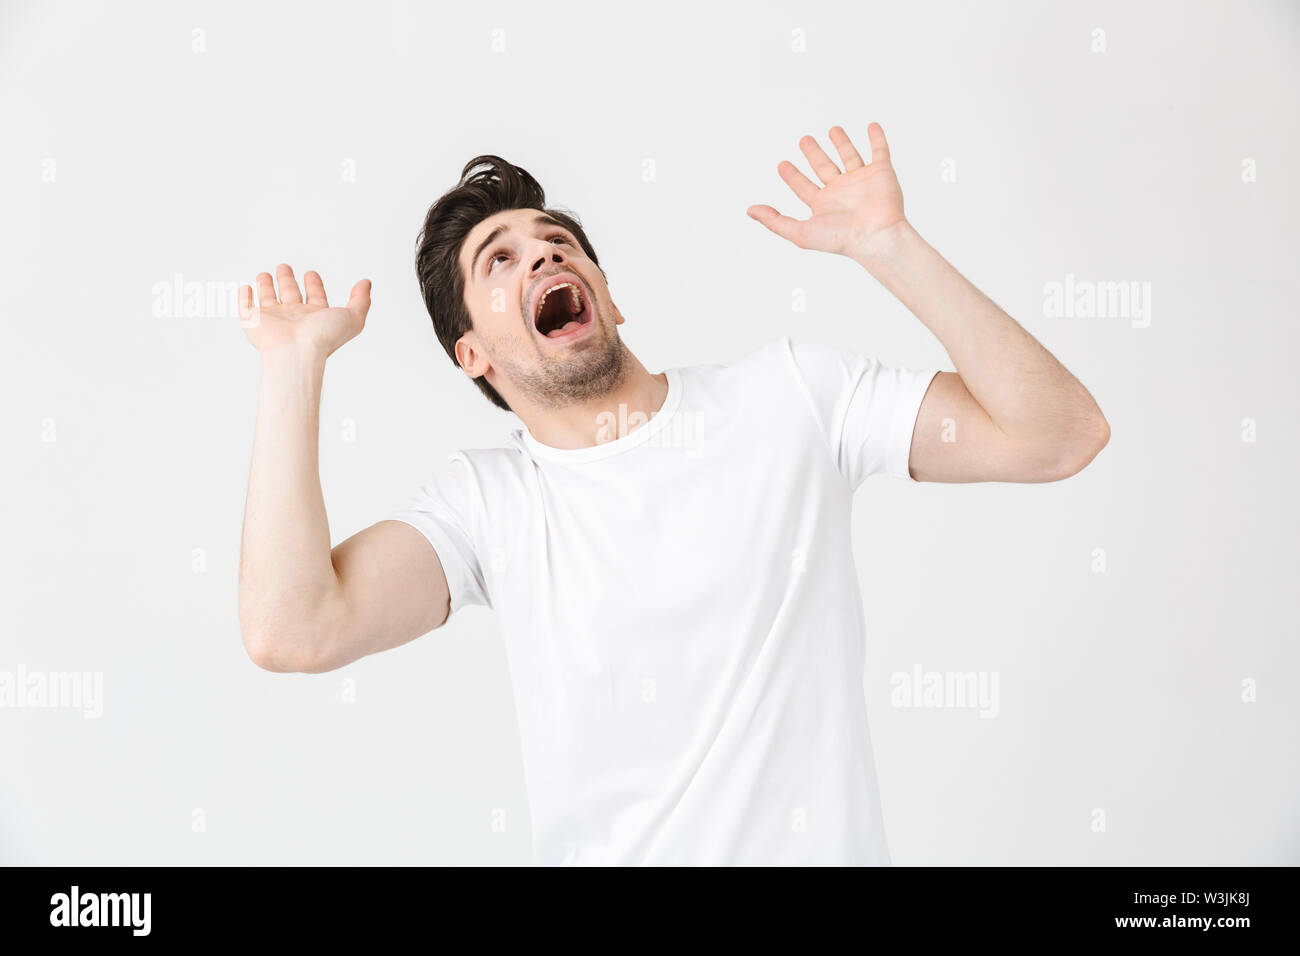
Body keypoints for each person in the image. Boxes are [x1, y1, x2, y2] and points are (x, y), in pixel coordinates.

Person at [235, 123, 1109, 866]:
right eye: (497, 260)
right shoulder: (489, 506)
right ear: (475, 356)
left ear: (608, 298)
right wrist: (292, 367)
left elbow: (1057, 435)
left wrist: (892, 249)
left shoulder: (793, 398)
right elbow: (293, 629)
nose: (541, 252)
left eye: (558, 243)